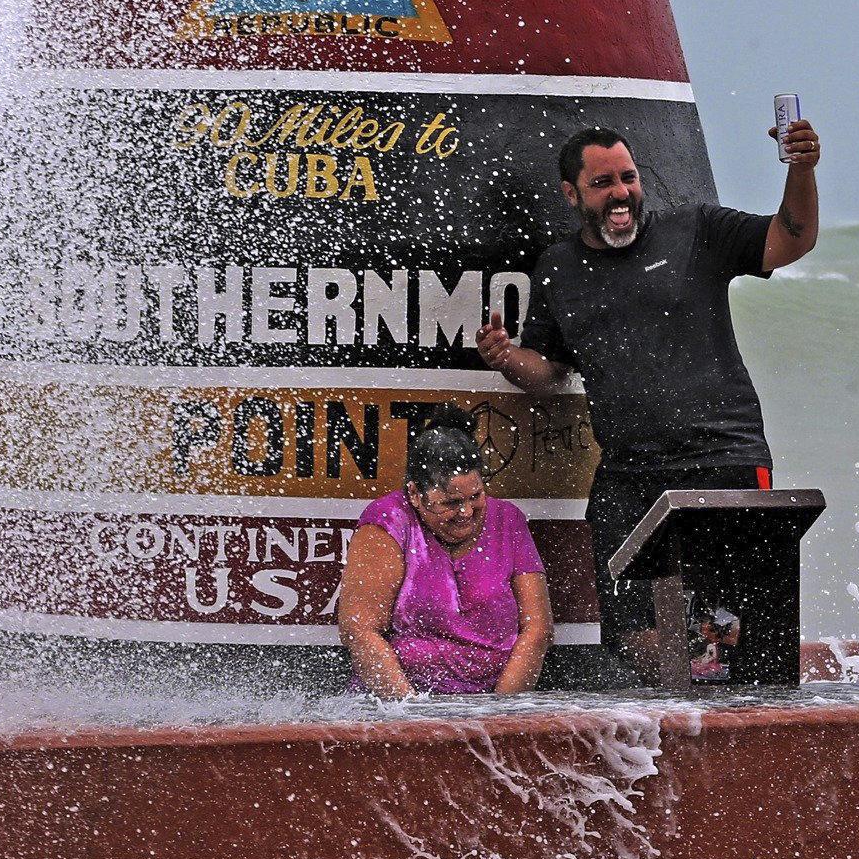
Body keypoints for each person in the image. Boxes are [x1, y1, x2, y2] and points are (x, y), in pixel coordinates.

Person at [475, 117, 822, 680]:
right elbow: (550, 370)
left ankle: (742, 720)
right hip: (628, 473)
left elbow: (791, 238)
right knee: (632, 635)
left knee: (731, 630)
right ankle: (674, 722)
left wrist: (801, 170)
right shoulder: (559, 268)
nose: (621, 193)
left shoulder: (695, 230)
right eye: (602, 183)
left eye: (628, 178)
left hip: (723, 459)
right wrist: (505, 357)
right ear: (571, 194)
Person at [335, 410, 553, 697]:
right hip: (401, 701)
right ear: (415, 494)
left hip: (496, 702)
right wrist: (411, 713)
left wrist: (500, 711)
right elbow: (359, 630)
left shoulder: (508, 519)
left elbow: (538, 630)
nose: (466, 512)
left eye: (475, 496)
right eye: (450, 503)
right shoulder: (388, 520)